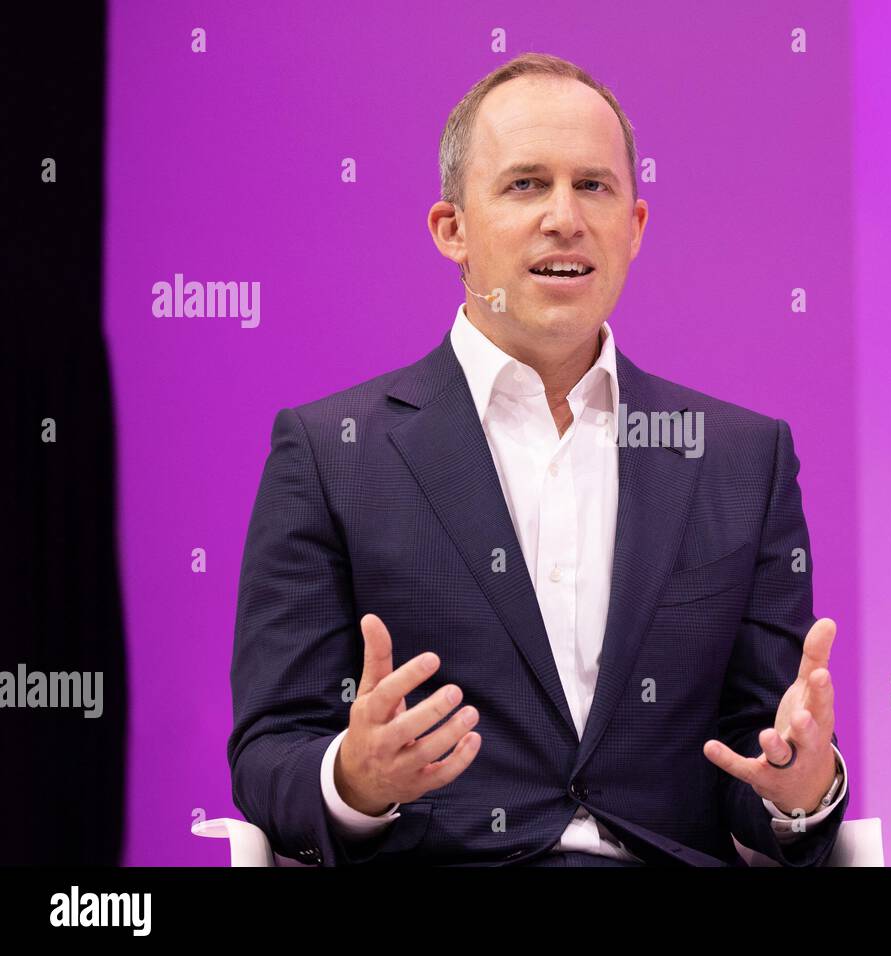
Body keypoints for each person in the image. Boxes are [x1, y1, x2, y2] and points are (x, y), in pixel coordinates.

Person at [228, 51, 849, 867]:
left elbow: (759, 745)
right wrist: (355, 777)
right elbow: (270, 747)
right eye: (526, 185)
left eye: (594, 186)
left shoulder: (742, 458)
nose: (565, 217)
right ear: (452, 229)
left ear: (635, 228)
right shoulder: (330, 453)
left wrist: (798, 790)